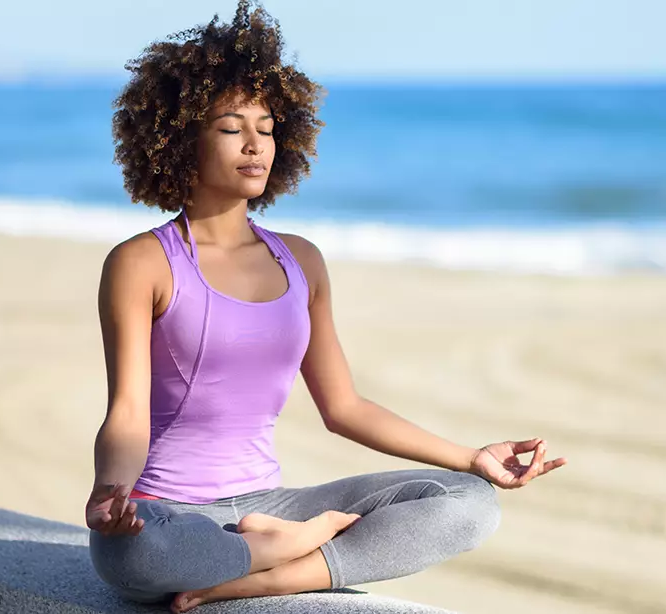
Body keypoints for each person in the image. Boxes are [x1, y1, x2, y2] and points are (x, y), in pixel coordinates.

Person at [85, 3, 567, 612]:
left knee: (470, 504)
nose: (256, 144)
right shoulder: (143, 263)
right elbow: (127, 412)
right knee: (134, 558)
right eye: (233, 128)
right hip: (171, 514)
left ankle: (263, 572)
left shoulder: (301, 262)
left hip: (269, 505)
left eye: (266, 126)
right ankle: (291, 549)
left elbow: (344, 408)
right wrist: (112, 491)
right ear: (182, 138)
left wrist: (472, 458)